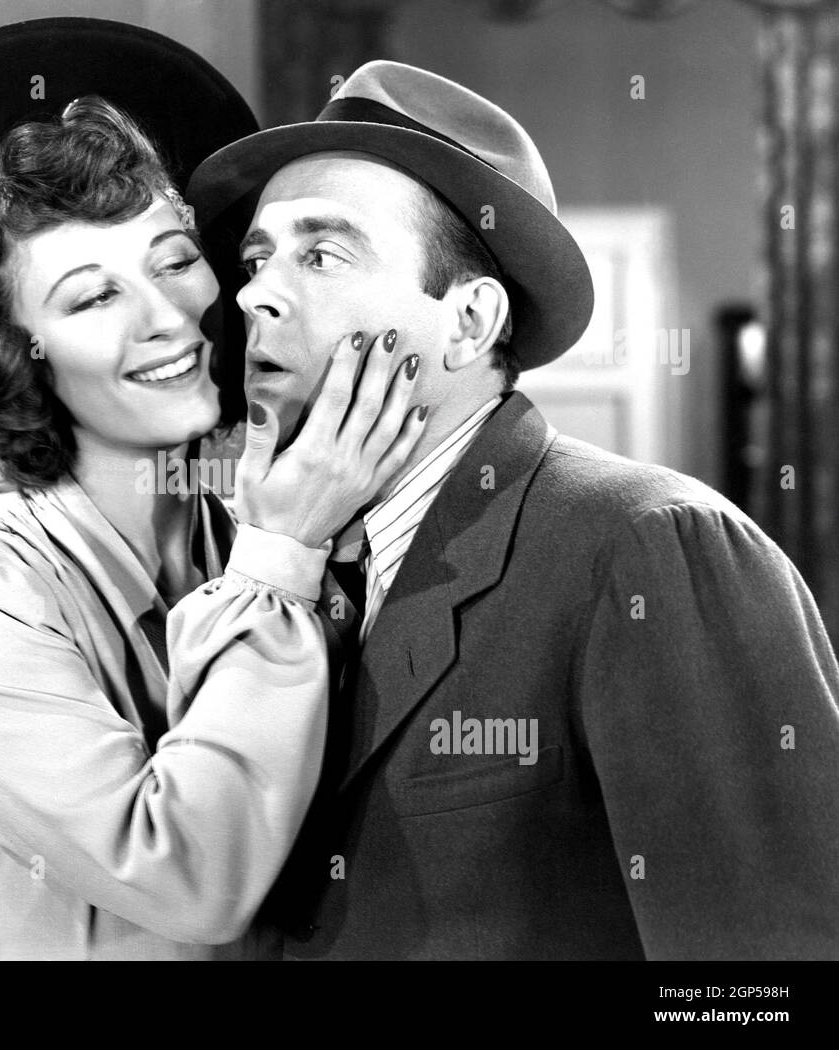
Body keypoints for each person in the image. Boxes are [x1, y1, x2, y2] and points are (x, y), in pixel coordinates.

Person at [187, 60, 839, 959]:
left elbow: (758, 977)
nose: (254, 292)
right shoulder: (285, 557)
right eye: (256, 258)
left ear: (468, 323)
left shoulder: (650, 545)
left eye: (322, 254)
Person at [0, 22, 426, 960]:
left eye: (173, 260)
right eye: (91, 297)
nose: (167, 322)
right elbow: (186, 883)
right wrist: (284, 558)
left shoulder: (260, 520)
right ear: (14, 358)